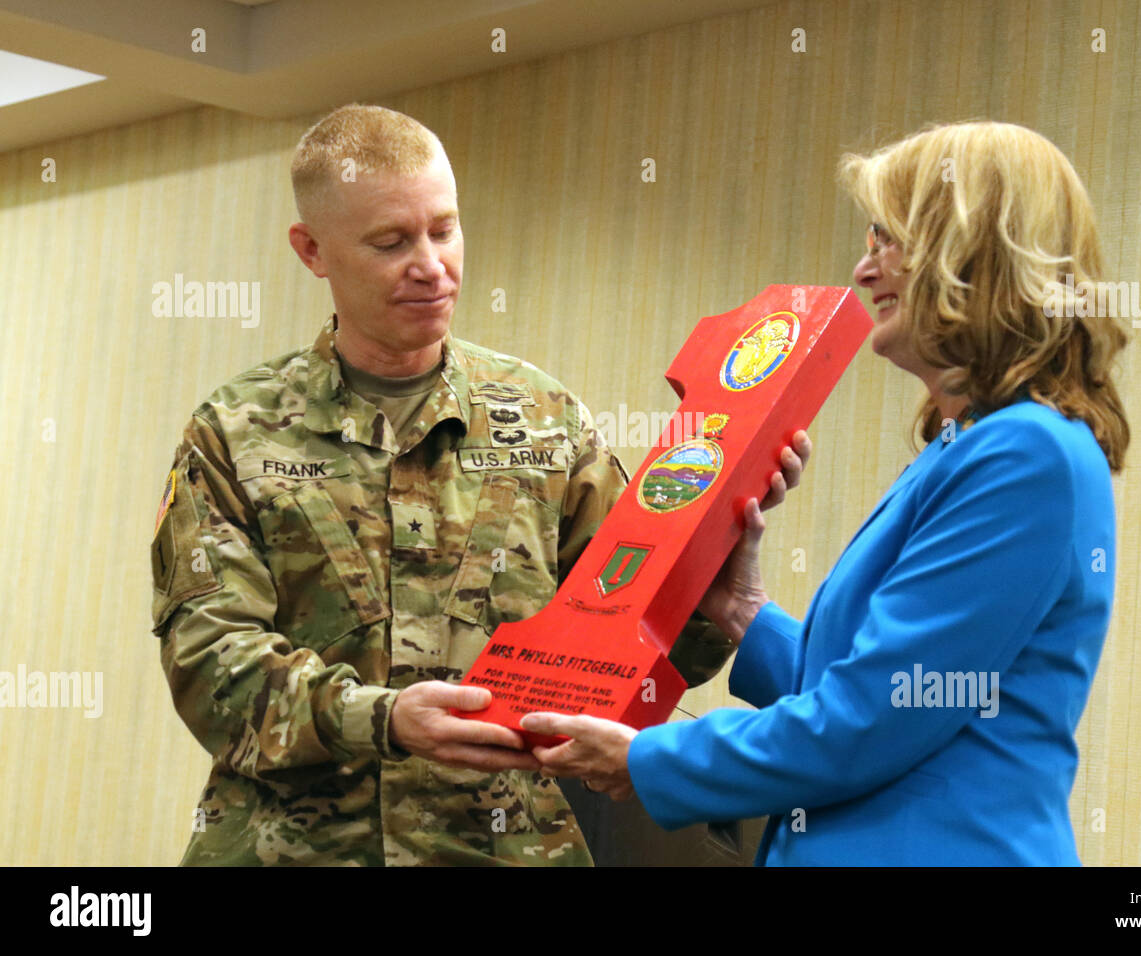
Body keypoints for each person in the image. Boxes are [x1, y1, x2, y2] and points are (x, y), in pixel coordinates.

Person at [149, 103, 806, 866]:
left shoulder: (545, 420)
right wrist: (383, 719)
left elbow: (642, 657)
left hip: (505, 846)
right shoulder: (234, 431)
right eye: (390, 241)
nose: (430, 263)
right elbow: (209, 662)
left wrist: (711, 546)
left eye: (444, 229)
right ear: (312, 250)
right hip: (296, 849)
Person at [523, 120, 1132, 865]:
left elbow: (869, 722)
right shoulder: (975, 447)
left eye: (887, 239)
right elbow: (886, 692)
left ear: (968, 249)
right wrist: (744, 610)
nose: (863, 269)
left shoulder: (1023, 453)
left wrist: (648, 760)